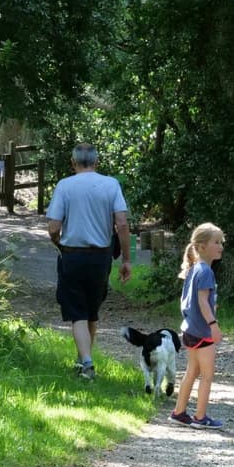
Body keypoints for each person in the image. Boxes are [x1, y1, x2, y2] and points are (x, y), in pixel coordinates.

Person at [45, 143, 132, 381]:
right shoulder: (111, 185)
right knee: (91, 311)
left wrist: (58, 242)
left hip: (72, 255)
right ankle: (83, 360)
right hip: (101, 257)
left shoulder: (65, 185)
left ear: (73, 162)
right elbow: (122, 223)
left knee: (77, 311)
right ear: (96, 162)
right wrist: (126, 259)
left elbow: (53, 227)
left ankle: (86, 362)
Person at [169, 222, 226, 429]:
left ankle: (179, 412)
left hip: (189, 330)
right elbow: (202, 301)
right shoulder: (205, 271)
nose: (220, 246)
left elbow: (193, 301)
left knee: (192, 371)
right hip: (202, 332)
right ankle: (200, 417)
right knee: (207, 375)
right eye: (216, 242)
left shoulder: (195, 269)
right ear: (202, 246)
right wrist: (213, 324)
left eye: (221, 242)